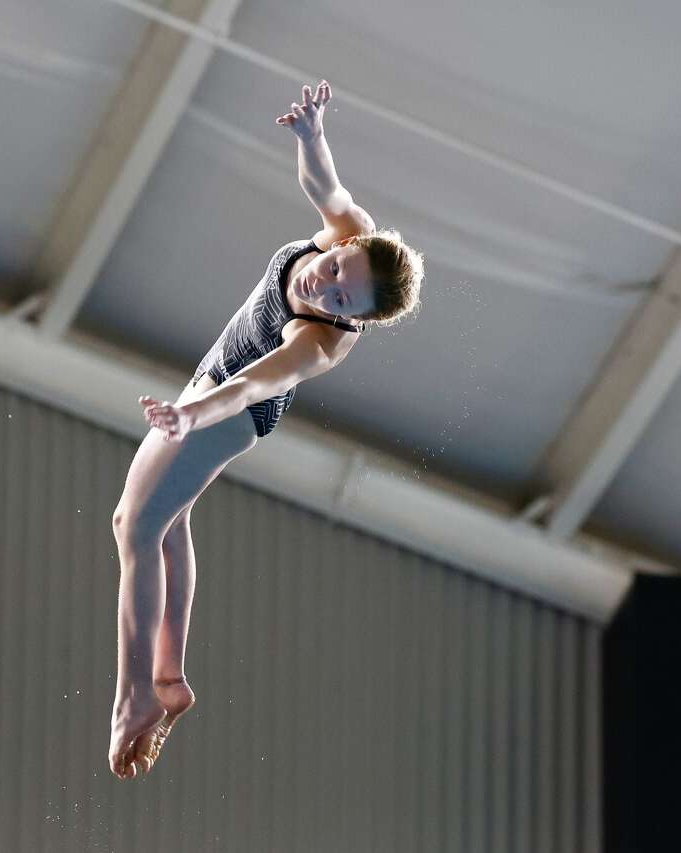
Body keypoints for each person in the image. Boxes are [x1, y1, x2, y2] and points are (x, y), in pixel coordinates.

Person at [108, 79, 424, 780]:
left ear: (355, 319)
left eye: (342, 299)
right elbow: (327, 188)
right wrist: (313, 139)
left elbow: (257, 383)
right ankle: (167, 675)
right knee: (171, 519)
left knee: (135, 527)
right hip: (210, 382)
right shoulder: (350, 232)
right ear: (351, 243)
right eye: (336, 268)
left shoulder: (319, 340)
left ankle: (133, 695)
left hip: (230, 410)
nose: (325, 285)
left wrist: (192, 414)